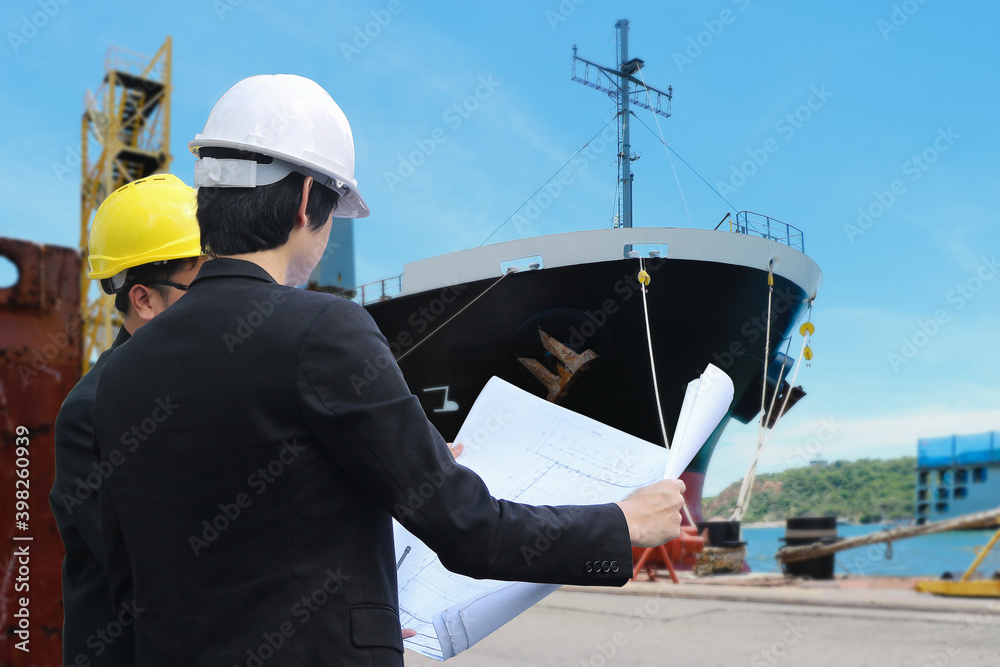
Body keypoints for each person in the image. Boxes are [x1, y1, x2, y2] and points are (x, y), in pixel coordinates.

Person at [91, 75, 685, 666]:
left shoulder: (116, 374)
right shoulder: (325, 330)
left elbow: (125, 592)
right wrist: (621, 524)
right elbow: (470, 531)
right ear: (305, 201)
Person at [49, 174, 206, 666]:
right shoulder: (89, 413)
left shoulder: (206, 385)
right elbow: (154, 571)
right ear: (144, 300)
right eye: (202, 287)